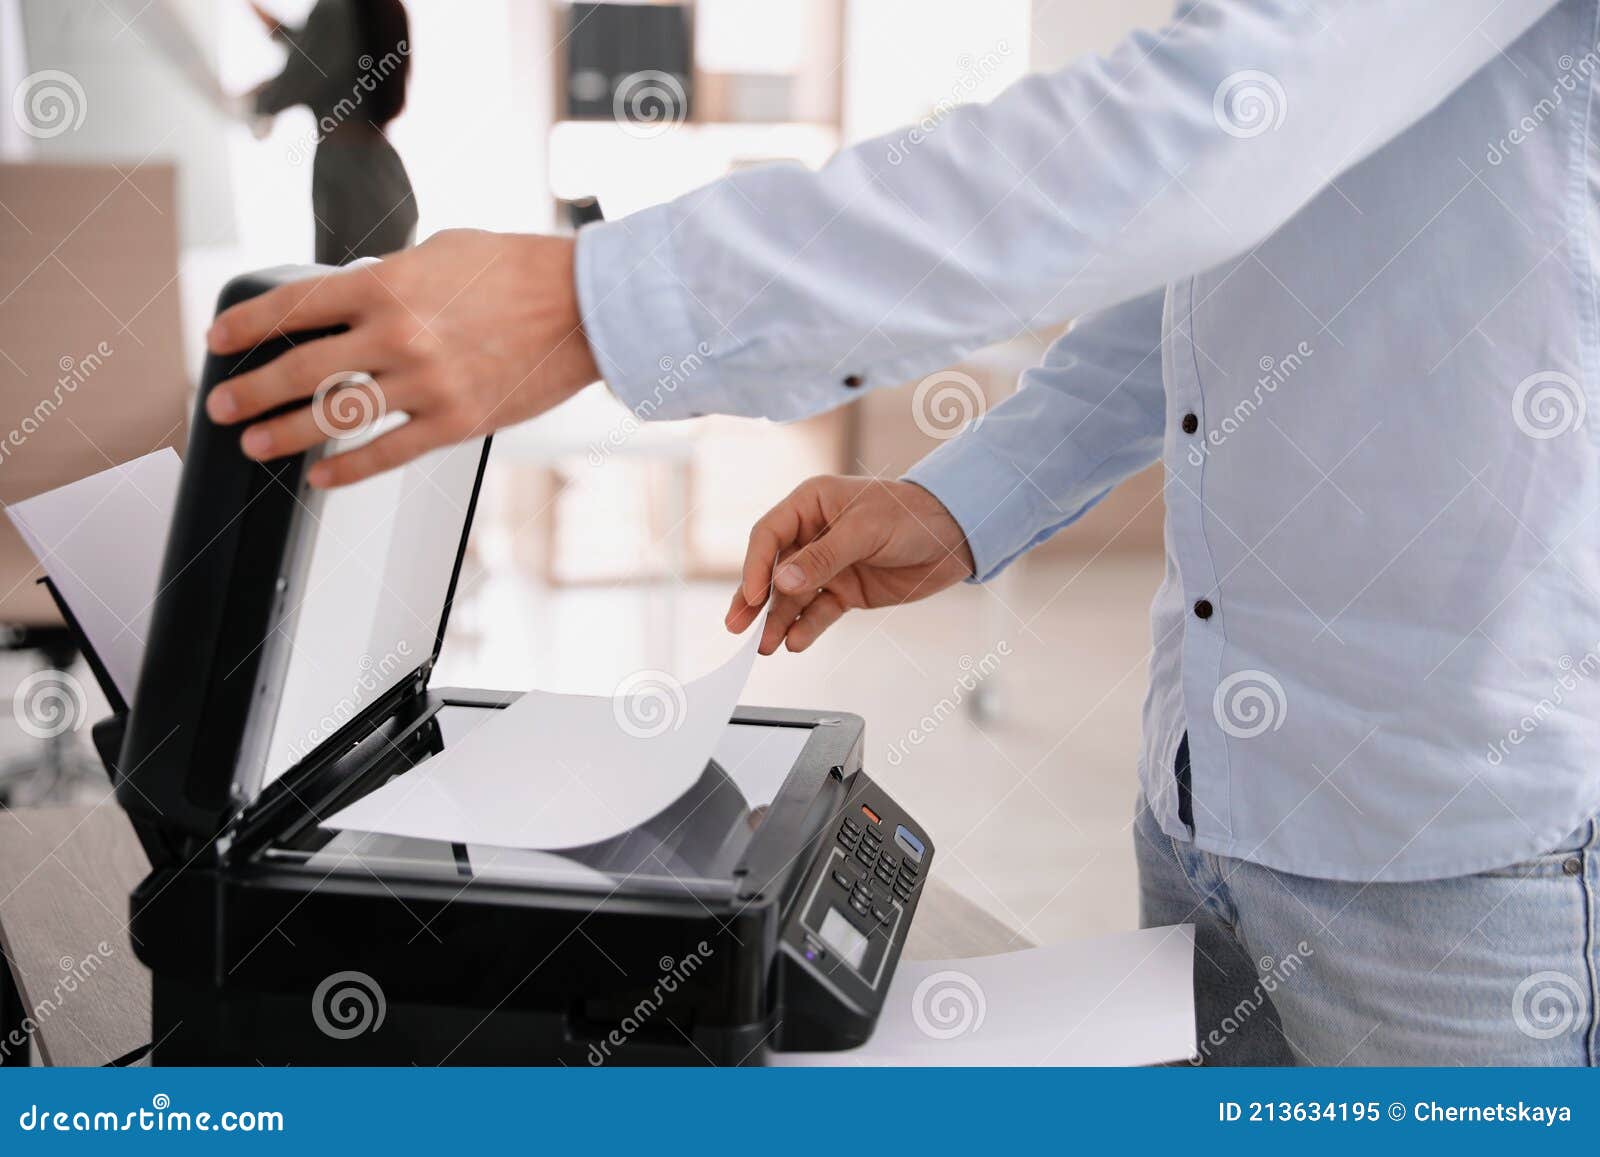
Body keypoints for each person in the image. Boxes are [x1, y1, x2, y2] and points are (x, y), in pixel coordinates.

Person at [201, 0, 1598, 1064]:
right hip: (1210, 790)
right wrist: (959, 497)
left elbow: (1198, 136)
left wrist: (594, 302)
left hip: (1460, 853)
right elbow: (1213, 256)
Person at [244, 0, 417, 264]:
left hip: (352, 186)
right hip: (387, 181)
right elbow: (316, 47)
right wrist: (271, 25)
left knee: (340, 292)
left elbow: (302, 72)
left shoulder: (334, 10)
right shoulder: (382, 7)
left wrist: (248, 103)